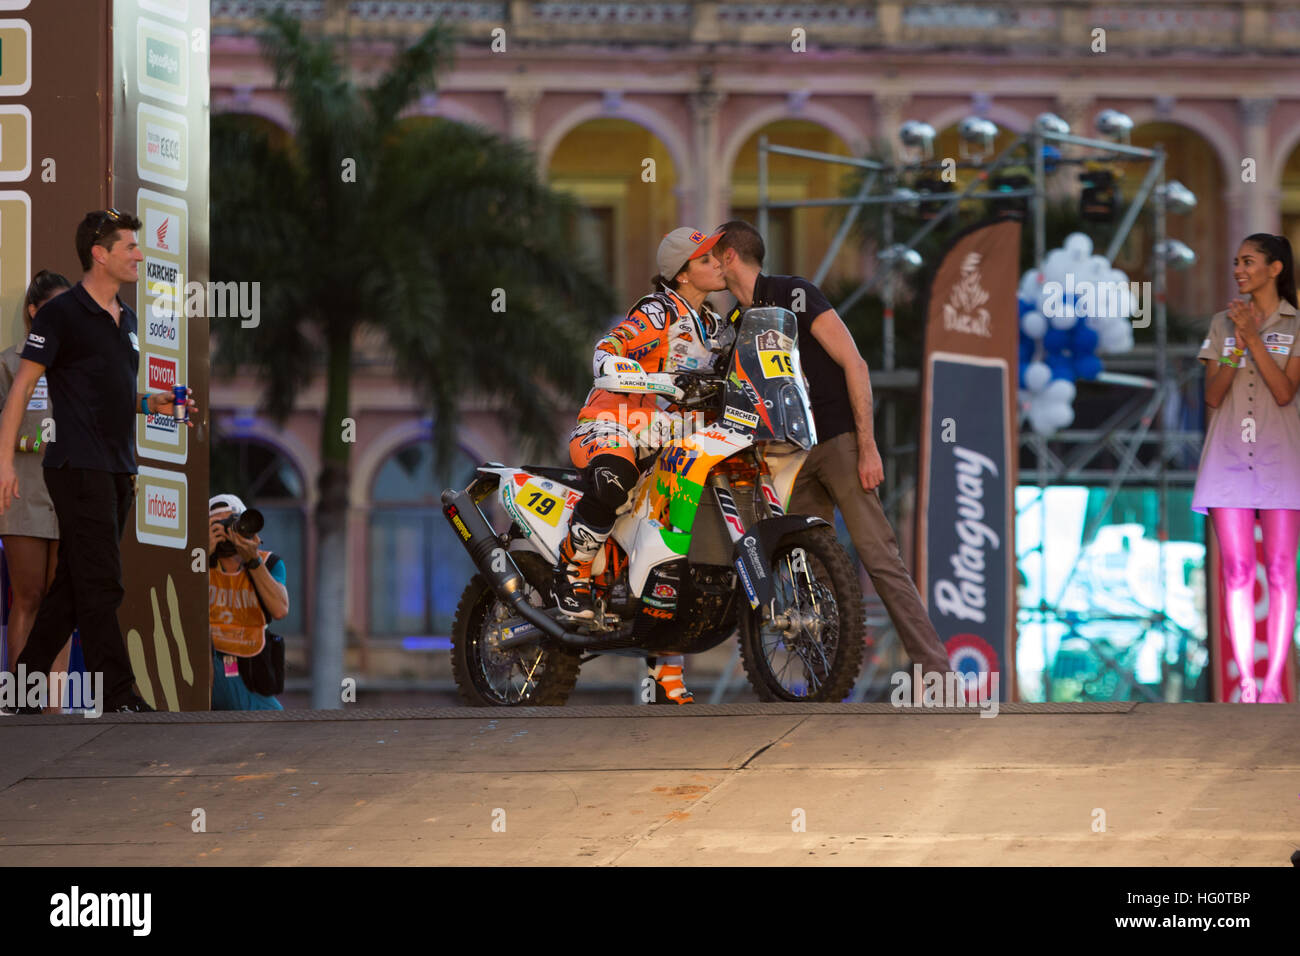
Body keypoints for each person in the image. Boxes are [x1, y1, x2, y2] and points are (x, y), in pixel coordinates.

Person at [712, 219, 953, 682]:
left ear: (729, 257)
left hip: (837, 441)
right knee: (808, 566)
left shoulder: (794, 293)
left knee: (879, 556)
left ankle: (936, 671)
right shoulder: (735, 323)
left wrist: (867, 447)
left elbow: (854, 363)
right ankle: (825, 678)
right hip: (785, 458)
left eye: (712, 256)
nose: (708, 265)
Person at [0, 210, 196, 714]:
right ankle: (118, 694)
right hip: (75, 467)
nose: (140, 254)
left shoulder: (126, 318)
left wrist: (151, 404)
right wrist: (3, 463)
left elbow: (106, 391)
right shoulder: (61, 314)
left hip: (118, 470)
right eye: (129, 246)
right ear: (99, 254)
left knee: (69, 586)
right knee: (103, 580)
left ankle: (21, 690)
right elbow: (22, 387)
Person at [552, 227, 729, 704]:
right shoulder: (657, 310)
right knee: (616, 477)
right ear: (683, 272)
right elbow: (609, 349)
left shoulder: (715, 325)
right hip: (613, 422)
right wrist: (632, 371)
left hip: (672, 436)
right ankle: (572, 570)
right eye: (707, 258)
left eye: (717, 256)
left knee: (678, 541)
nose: (719, 263)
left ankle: (665, 673)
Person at [1193, 233, 1300, 704]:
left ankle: (1275, 680)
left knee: (1280, 569)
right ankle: (1248, 683)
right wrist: (1237, 343)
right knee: (1236, 570)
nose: (1239, 269)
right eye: (1236, 261)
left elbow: (1283, 391)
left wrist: (1254, 338)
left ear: (1275, 268)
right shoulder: (1221, 323)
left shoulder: (1297, 325)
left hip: (1281, 456)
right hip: (1229, 456)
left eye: (1249, 261)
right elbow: (1213, 396)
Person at [1, 272, 72, 711]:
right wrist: (28, 443)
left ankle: (54, 708)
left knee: (60, 600)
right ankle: (21, 703)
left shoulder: (75, 365)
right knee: (27, 596)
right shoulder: (9, 363)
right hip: (24, 488)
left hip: (68, 488)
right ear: (33, 311)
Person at [208, 494, 290, 710]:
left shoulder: (268, 562)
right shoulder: (198, 562)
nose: (227, 533)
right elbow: (179, 605)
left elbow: (280, 609)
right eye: (218, 526)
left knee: (273, 716)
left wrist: (252, 560)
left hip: (250, 665)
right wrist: (202, 554)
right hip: (209, 660)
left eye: (232, 524)